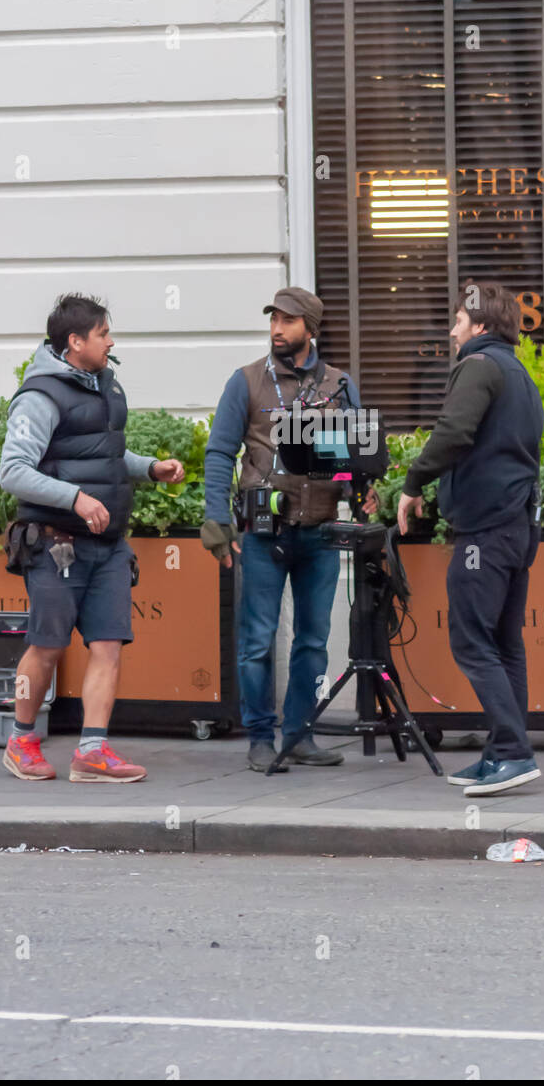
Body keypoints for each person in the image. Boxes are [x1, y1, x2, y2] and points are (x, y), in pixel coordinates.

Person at [0, 294, 184, 783]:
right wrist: (76, 498)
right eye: (103, 333)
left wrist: (149, 468)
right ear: (75, 341)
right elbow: (12, 471)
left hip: (108, 547)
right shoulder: (39, 396)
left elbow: (101, 456)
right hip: (56, 544)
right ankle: (20, 741)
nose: (111, 340)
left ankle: (92, 752)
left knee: (108, 645)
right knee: (46, 645)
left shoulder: (105, 384)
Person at [201, 287, 363, 773]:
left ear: (309, 328)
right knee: (257, 639)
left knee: (313, 640)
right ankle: (258, 737)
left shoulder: (339, 385)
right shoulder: (246, 382)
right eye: (273, 318)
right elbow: (219, 452)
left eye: (288, 321)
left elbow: (349, 459)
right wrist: (216, 517)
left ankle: (299, 734)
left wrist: (357, 489)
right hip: (263, 533)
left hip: (319, 532)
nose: (277, 328)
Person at [397, 281, 544, 796]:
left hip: (486, 528)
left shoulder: (479, 366)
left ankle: (513, 752)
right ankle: (503, 752)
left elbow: (453, 432)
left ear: (480, 326)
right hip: (517, 527)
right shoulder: (517, 372)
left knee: (472, 641)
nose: (452, 328)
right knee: (505, 645)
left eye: (459, 319)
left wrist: (413, 484)